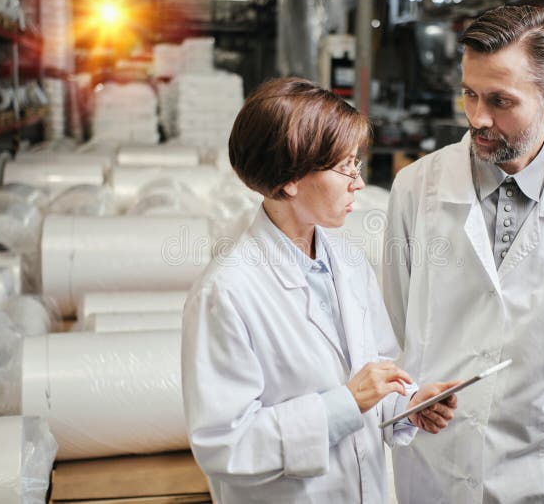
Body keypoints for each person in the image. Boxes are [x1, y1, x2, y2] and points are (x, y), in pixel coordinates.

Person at [383, 5, 544, 503]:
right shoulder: (417, 188)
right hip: (439, 458)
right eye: (470, 95)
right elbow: (395, 319)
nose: (479, 117)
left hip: (543, 465)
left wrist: (534, 404)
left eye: (501, 100)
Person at [181, 77, 459, 503]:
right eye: (345, 166)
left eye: (358, 165)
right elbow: (225, 446)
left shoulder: (347, 262)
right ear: (290, 178)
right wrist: (345, 404)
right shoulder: (227, 292)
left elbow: (376, 369)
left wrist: (408, 404)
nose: (358, 183)